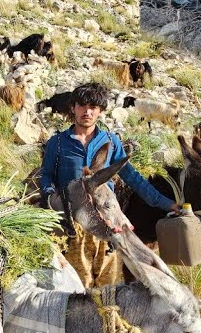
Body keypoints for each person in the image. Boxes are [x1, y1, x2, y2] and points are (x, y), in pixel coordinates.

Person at [40, 82, 176, 287]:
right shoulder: (57, 143)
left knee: (109, 286)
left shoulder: (111, 141)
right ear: (73, 108)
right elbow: (47, 175)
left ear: (100, 111)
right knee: (78, 287)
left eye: (93, 107)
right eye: (82, 106)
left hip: (109, 223)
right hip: (73, 226)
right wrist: (53, 200)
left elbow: (133, 177)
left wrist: (166, 204)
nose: (87, 112)